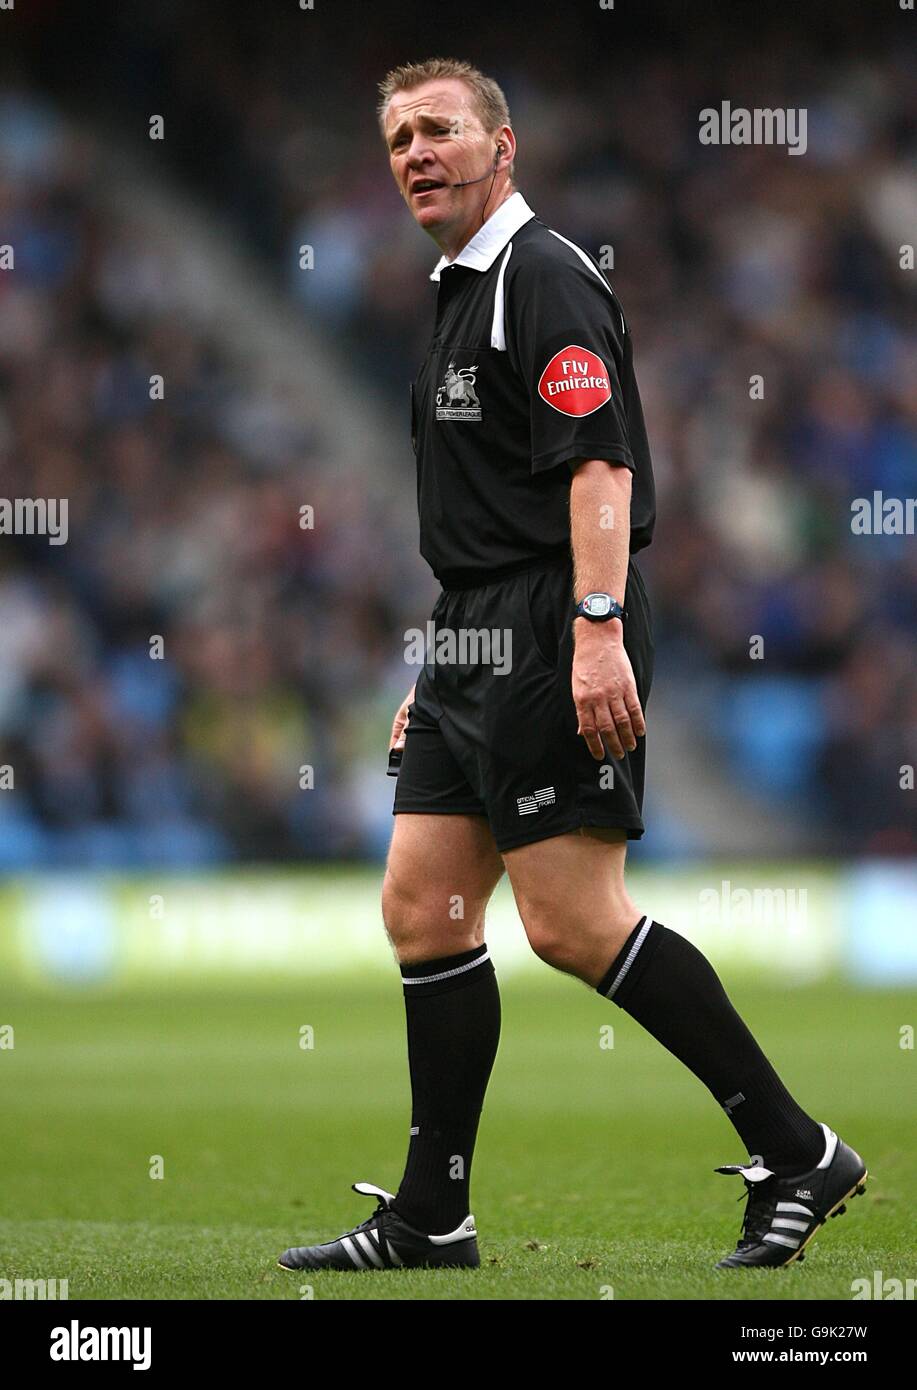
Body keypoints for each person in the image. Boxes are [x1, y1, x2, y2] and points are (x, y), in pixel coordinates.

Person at [279, 57, 867, 1275]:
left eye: (438, 129)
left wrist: (594, 626)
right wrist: (443, 659)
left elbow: (598, 470)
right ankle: (433, 1214)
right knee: (420, 906)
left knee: (569, 922)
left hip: (557, 621)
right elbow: (482, 507)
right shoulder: (454, 289)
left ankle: (796, 1145)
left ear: (504, 147)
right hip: (475, 632)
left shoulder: (541, 277)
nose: (414, 154)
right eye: (395, 139)